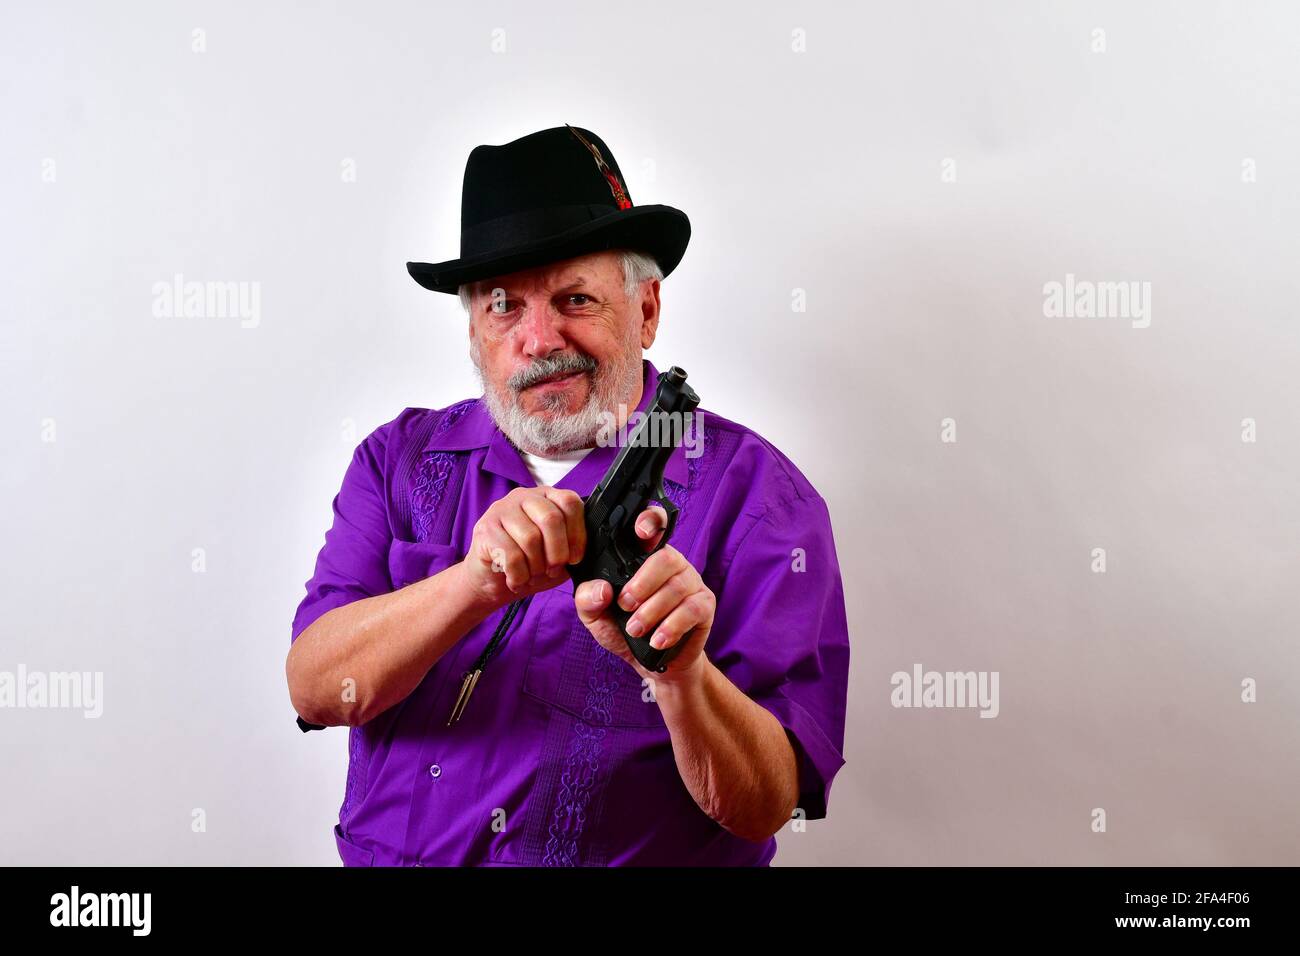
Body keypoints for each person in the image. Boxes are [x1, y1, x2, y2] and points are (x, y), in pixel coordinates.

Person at [286, 125, 850, 866]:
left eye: (576, 298)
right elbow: (316, 688)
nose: (539, 339)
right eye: (503, 306)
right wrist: (472, 585)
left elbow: (765, 803)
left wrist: (681, 679)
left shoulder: (761, 499)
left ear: (646, 311)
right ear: (473, 332)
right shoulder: (397, 460)